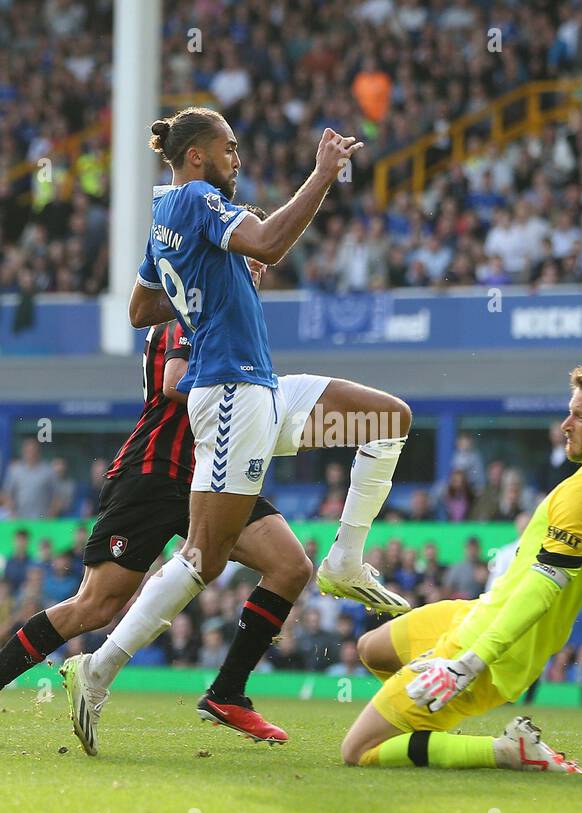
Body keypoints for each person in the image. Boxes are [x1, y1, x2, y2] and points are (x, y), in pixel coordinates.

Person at [72, 109, 416, 724]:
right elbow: (271, 242)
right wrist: (322, 173)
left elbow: (141, 307)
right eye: (229, 147)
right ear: (197, 156)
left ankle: (345, 560)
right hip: (229, 394)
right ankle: (100, 668)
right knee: (203, 558)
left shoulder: (166, 217)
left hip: (260, 388)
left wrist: (215, 277)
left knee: (388, 420)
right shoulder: (197, 197)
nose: (238, 157)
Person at [0, 244, 312, 750]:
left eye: (262, 263)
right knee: (95, 607)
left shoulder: (235, 321)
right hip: (153, 475)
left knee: (291, 566)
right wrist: (257, 392)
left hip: (212, 474)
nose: (258, 269)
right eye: (248, 258)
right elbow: (175, 381)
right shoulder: (192, 310)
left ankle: (228, 692)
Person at [340, 360, 582, 773]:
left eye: (579, 415)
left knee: (357, 751)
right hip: (480, 611)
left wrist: (466, 664)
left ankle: (506, 750)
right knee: (373, 648)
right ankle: (428, 733)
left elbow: (542, 590)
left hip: (494, 648)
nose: (565, 425)